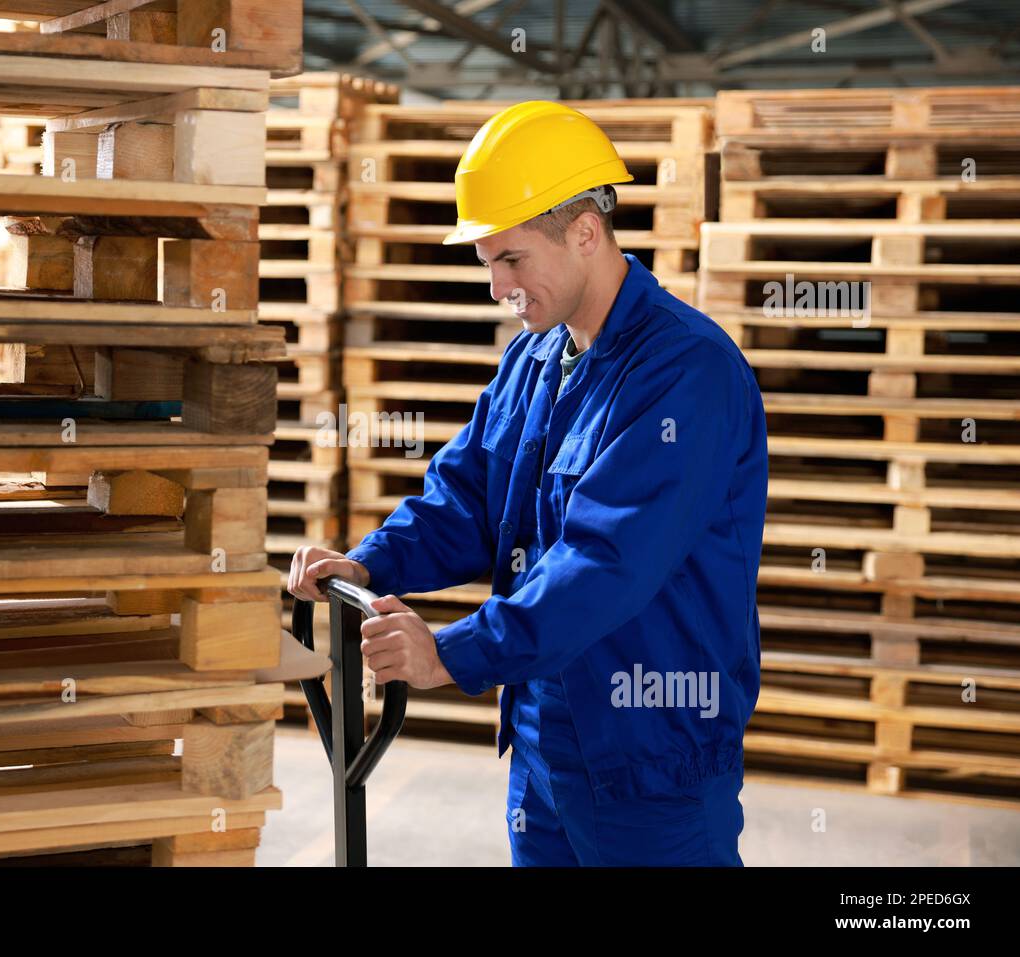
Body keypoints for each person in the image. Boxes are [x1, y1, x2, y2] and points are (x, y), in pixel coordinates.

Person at [288, 101, 768, 866]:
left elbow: (605, 561)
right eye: (487, 263)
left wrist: (455, 653)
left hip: (652, 753)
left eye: (512, 260)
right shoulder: (535, 359)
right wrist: (371, 563)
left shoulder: (686, 372)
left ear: (584, 230)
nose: (497, 288)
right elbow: (468, 497)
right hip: (546, 733)